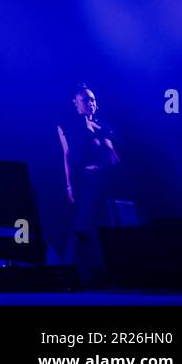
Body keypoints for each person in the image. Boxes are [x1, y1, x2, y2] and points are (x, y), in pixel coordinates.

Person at [58, 83, 120, 270]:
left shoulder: (102, 125)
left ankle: (106, 268)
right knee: (84, 222)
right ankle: (73, 268)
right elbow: (67, 155)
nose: (89, 103)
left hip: (107, 178)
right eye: (84, 100)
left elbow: (113, 154)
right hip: (86, 179)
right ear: (75, 102)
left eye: (92, 99)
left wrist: (108, 164)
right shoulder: (68, 126)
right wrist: (69, 185)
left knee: (107, 222)